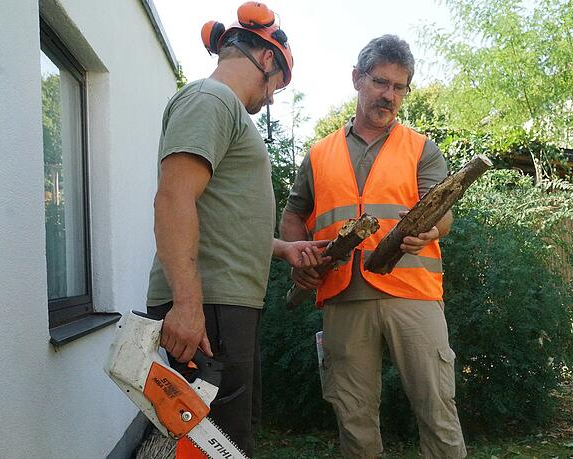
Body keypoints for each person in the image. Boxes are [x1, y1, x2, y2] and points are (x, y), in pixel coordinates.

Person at [145, 3, 327, 456]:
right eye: (277, 85)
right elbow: (173, 199)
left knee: (228, 438)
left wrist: (282, 248)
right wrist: (188, 305)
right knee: (214, 445)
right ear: (266, 58)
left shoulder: (220, 106)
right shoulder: (212, 99)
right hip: (209, 308)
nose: (272, 98)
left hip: (222, 307)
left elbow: (222, 217)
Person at [280, 35, 467, 459]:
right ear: (356, 79)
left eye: (399, 87)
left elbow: (443, 213)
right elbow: (293, 214)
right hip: (343, 297)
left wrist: (431, 231)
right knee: (354, 419)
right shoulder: (319, 154)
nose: (389, 95)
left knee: (437, 410)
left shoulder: (421, 149)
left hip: (412, 295)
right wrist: (298, 255)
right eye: (381, 82)